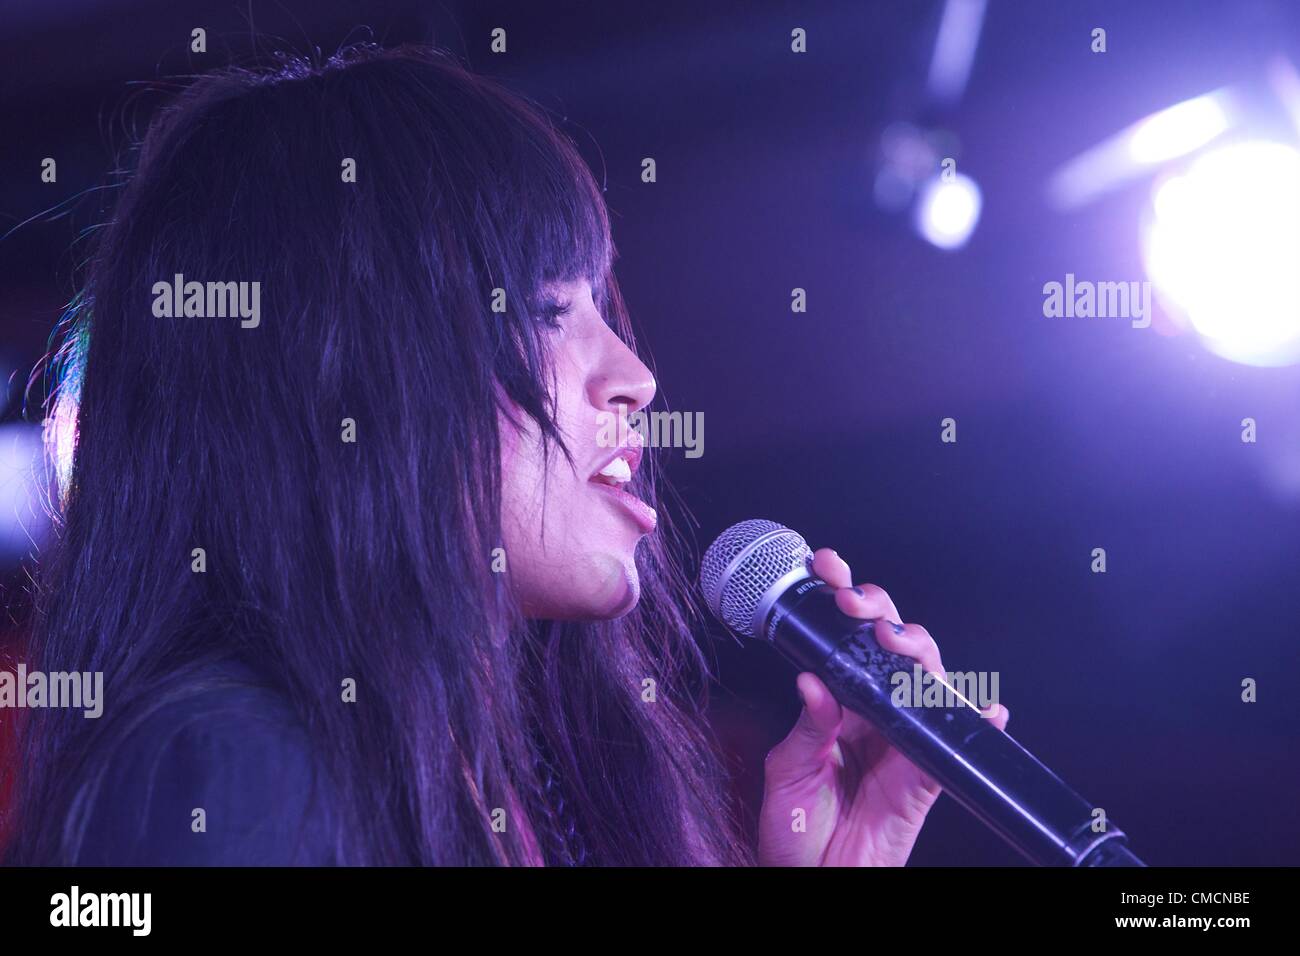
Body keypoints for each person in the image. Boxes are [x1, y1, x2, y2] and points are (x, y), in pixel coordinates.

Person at [3, 45, 1006, 867]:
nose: (633, 375)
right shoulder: (228, 764)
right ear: (348, 372)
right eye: (546, 309)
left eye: (597, 305)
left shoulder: (521, 781)